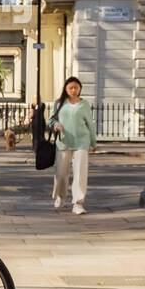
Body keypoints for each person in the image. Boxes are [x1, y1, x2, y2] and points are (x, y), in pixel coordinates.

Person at [49, 76, 95, 215]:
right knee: (61, 174)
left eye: (76, 87)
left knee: (80, 174)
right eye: (71, 88)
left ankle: (78, 203)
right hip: (63, 143)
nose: (74, 90)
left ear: (80, 88)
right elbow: (51, 120)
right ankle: (60, 196)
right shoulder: (59, 103)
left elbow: (90, 125)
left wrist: (93, 142)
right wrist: (55, 124)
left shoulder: (84, 104)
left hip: (82, 143)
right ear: (66, 89)